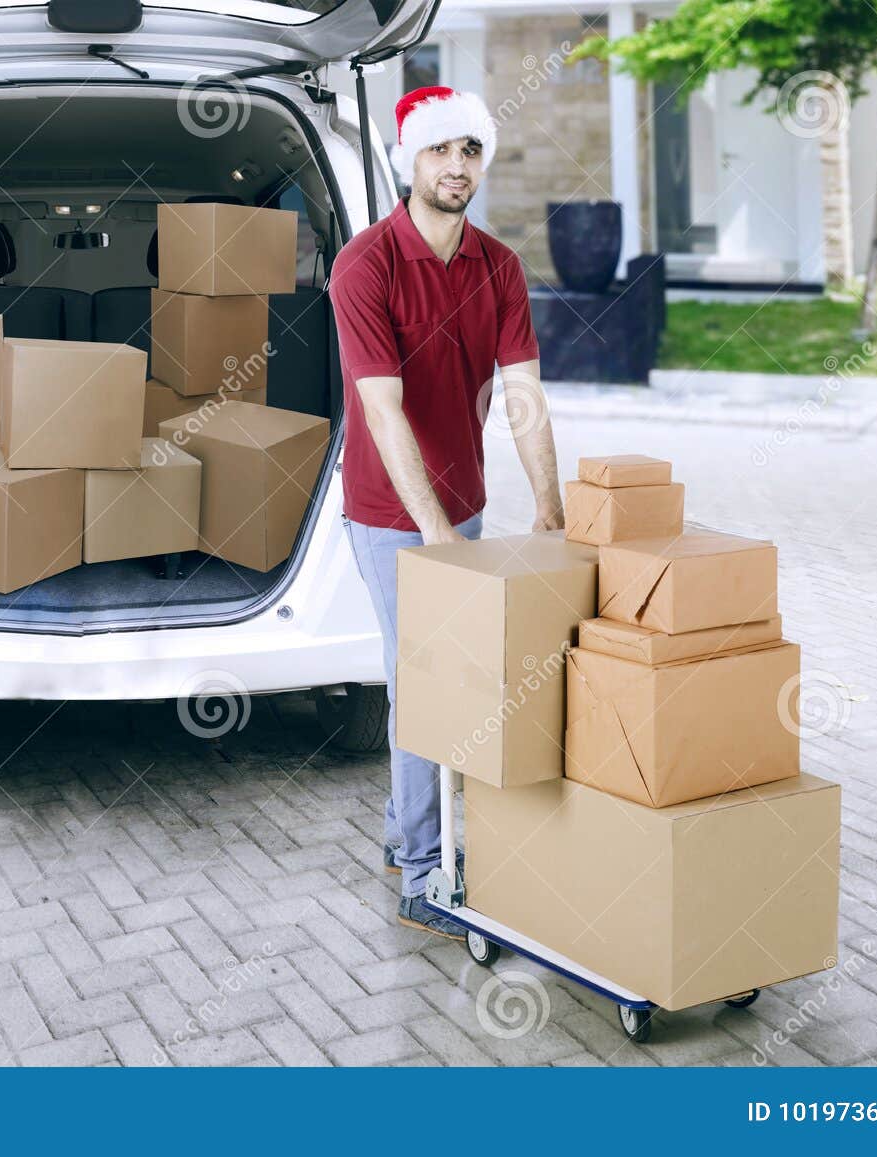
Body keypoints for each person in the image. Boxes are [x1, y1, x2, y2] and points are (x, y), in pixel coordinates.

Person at [329, 85, 565, 938]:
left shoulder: (497, 266)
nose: (457, 166)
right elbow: (383, 410)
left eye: (469, 149)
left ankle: (404, 834)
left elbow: (523, 391)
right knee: (426, 681)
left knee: (441, 675)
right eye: (440, 150)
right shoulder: (365, 265)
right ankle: (426, 873)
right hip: (391, 514)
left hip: (462, 506)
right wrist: (431, 533)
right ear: (409, 161)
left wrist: (549, 503)